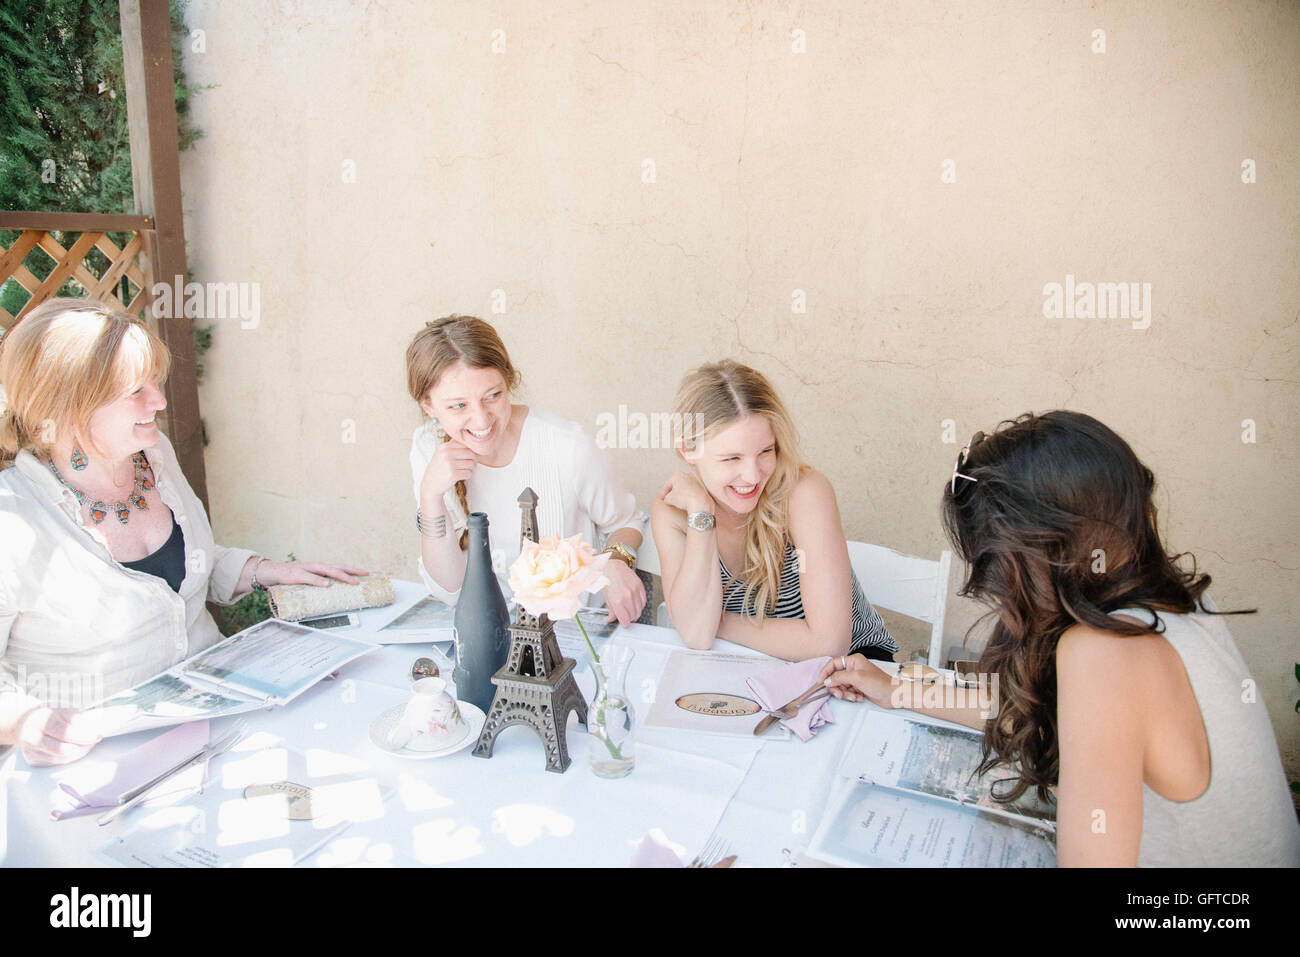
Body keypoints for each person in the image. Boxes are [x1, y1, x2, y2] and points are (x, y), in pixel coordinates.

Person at [821, 411, 1300, 867]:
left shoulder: (1104, 655)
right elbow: (1046, 722)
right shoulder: (1166, 600)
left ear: (1027, 559)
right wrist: (896, 690)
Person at [0, 298, 366, 766]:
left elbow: (186, 568)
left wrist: (264, 571)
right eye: (136, 391)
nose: (159, 401)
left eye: (155, 383)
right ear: (70, 406)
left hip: (221, 722)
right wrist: (28, 721)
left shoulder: (154, 456)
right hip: (101, 766)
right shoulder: (15, 521)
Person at [406, 315, 647, 624]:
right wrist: (430, 497)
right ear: (428, 405)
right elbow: (450, 590)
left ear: (509, 382)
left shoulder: (568, 448)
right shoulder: (428, 448)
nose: (481, 421)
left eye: (493, 396)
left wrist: (617, 560)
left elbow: (627, 522)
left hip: (573, 632)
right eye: (458, 406)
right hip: (486, 631)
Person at [652, 360, 896, 661]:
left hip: (856, 670)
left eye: (766, 451)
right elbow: (696, 636)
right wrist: (703, 514)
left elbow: (830, 645)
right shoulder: (675, 512)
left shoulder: (805, 492)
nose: (753, 476)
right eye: (732, 459)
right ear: (687, 451)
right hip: (747, 665)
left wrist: (715, 621)